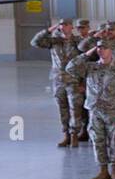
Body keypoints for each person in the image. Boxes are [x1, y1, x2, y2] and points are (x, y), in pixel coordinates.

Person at [64, 39, 115, 179]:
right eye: (99, 48)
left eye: (105, 48)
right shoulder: (90, 67)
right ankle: (103, 172)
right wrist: (87, 54)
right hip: (95, 111)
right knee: (98, 141)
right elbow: (70, 68)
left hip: (114, 111)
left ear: (111, 50)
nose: (101, 50)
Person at [30, 18, 85, 147]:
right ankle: (66, 134)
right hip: (58, 80)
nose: (64, 27)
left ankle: (74, 135)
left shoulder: (78, 42)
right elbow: (34, 42)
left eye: (67, 25)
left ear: (72, 27)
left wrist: (84, 82)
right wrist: (49, 30)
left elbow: (85, 61)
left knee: (75, 108)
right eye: (61, 25)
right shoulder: (54, 41)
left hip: (74, 80)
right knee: (62, 108)